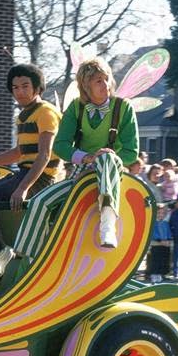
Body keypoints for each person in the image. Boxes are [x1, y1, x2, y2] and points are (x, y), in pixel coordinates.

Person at [0, 63, 61, 257]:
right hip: (23, 173)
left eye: (25, 86)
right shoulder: (23, 117)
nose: (20, 92)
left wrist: (22, 188)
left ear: (37, 87)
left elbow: (44, 155)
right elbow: (19, 152)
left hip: (40, 179)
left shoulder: (46, 113)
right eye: (15, 88)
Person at [53, 58, 139, 248]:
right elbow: (59, 146)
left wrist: (105, 157)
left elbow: (131, 152)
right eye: (98, 81)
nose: (105, 84)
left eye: (106, 79)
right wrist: (86, 157)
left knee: (106, 157)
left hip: (113, 171)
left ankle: (108, 225)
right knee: (40, 202)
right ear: (86, 86)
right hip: (82, 170)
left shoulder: (123, 107)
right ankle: (25, 252)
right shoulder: (76, 107)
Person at [146, 203, 172, 284]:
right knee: (155, 260)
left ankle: (160, 274)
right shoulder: (153, 223)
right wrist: (160, 240)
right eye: (158, 213)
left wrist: (168, 240)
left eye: (162, 213)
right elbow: (153, 233)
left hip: (164, 245)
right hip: (155, 244)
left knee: (162, 260)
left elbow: (168, 232)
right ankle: (153, 274)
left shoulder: (165, 223)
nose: (160, 215)